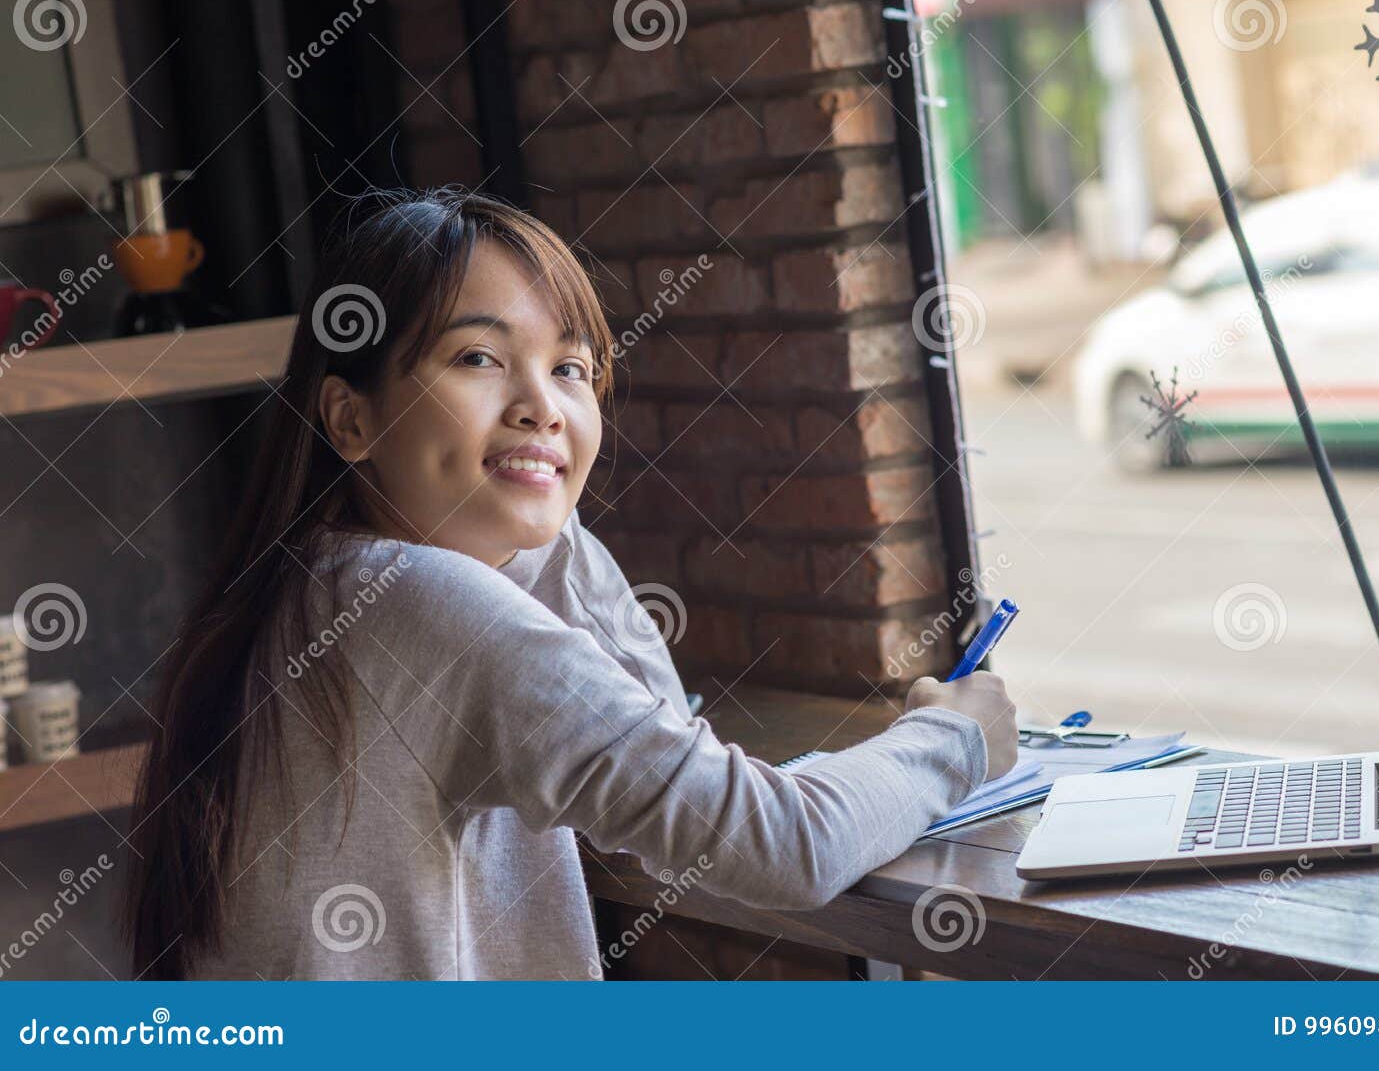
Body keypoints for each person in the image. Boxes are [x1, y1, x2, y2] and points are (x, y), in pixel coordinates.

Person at [121, 188, 1017, 979]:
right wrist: (952, 736)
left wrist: (534, 486)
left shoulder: (308, 584)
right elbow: (780, 844)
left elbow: (663, 736)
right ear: (350, 419)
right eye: (478, 358)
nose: (542, 402)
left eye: (571, 369)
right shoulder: (425, 605)